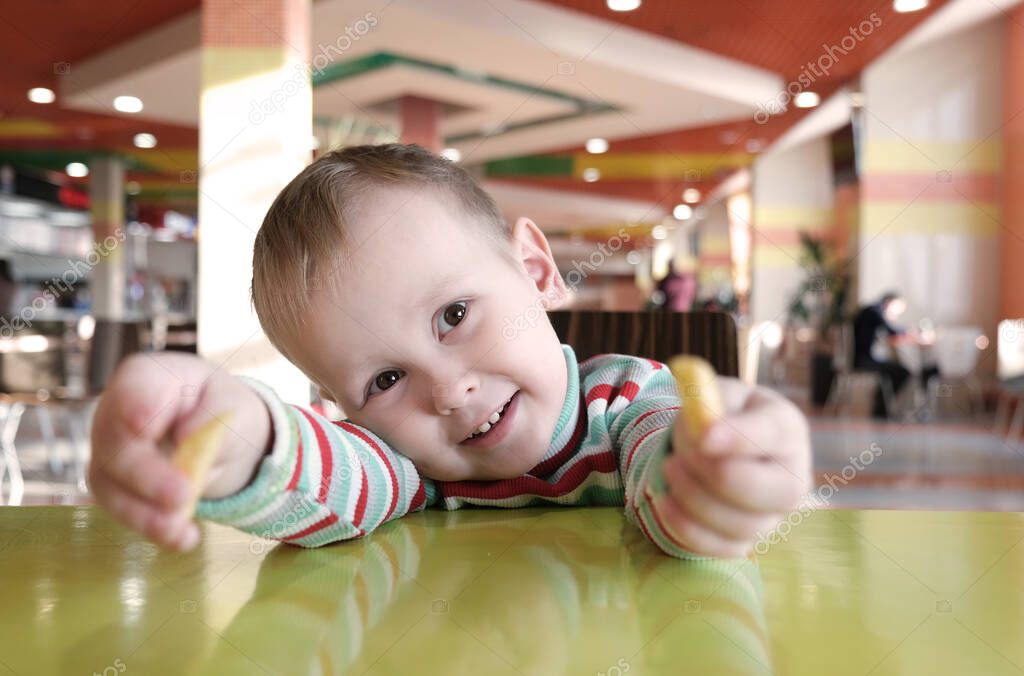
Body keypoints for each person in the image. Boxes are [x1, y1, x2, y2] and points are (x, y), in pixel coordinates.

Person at [89, 144, 811, 558]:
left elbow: (665, 463)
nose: (447, 392)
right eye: (385, 378)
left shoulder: (627, 404)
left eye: (454, 314)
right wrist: (229, 434)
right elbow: (327, 478)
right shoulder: (406, 467)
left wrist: (709, 473)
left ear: (535, 272)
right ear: (342, 407)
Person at [852, 291, 937, 419]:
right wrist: (912, 332)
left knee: (894, 369)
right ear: (890, 303)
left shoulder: (870, 310)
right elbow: (892, 330)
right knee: (901, 371)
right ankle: (881, 409)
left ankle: (881, 408)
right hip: (863, 360)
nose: (896, 314)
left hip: (861, 358)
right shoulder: (873, 311)